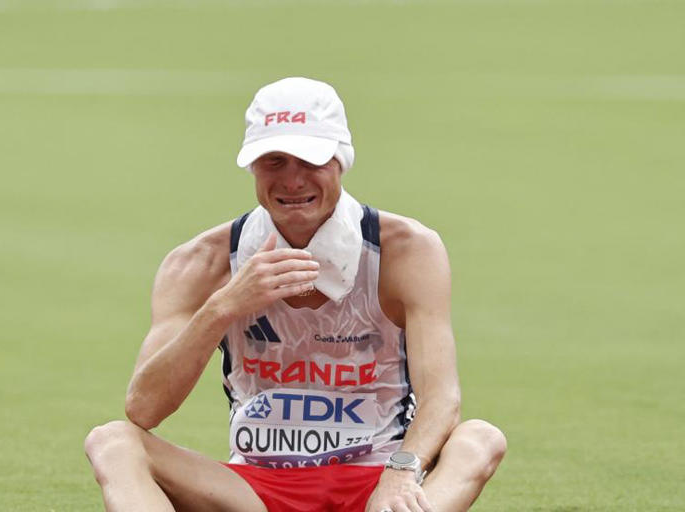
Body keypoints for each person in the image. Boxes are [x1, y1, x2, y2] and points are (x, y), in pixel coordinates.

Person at [84, 77, 507, 512]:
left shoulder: (406, 250)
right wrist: (226, 305)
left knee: (479, 439)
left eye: (311, 160)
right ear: (252, 167)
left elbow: (441, 399)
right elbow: (144, 408)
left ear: (340, 159)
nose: (292, 180)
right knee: (113, 441)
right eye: (274, 161)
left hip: (377, 482)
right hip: (256, 488)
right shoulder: (201, 263)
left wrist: (401, 472)